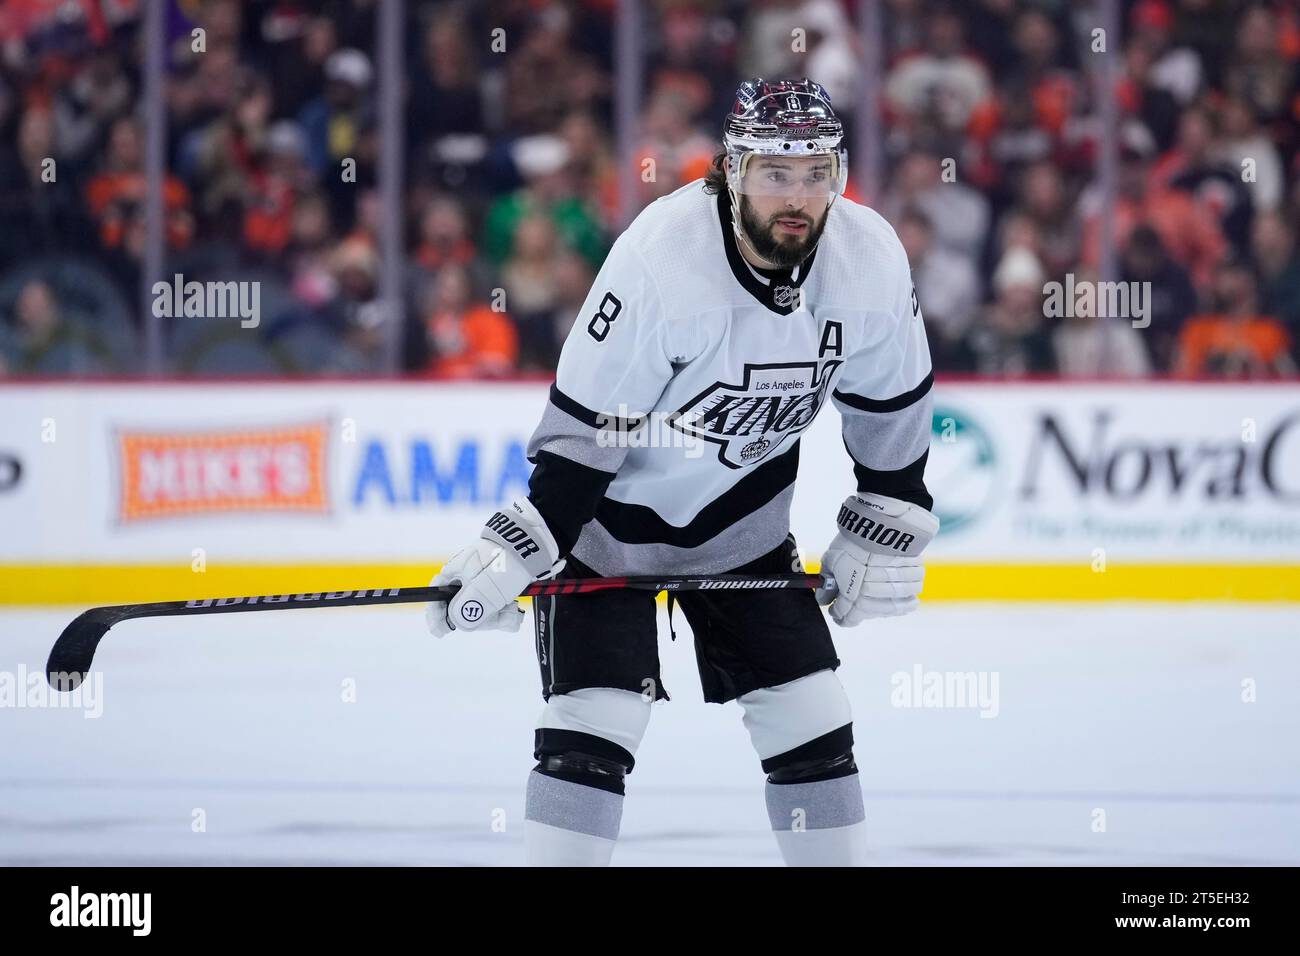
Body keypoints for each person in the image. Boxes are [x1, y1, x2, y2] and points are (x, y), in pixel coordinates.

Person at [426, 79, 938, 867]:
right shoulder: (661, 261)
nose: (798, 196)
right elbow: (588, 434)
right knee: (592, 729)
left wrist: (888, 518)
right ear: (730, 171)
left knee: (813, 720)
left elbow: (892, 403)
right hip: (605, 533)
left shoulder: (866, 261)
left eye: (817, 173)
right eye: (775, 172)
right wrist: (518, 550)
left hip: (743, 528)